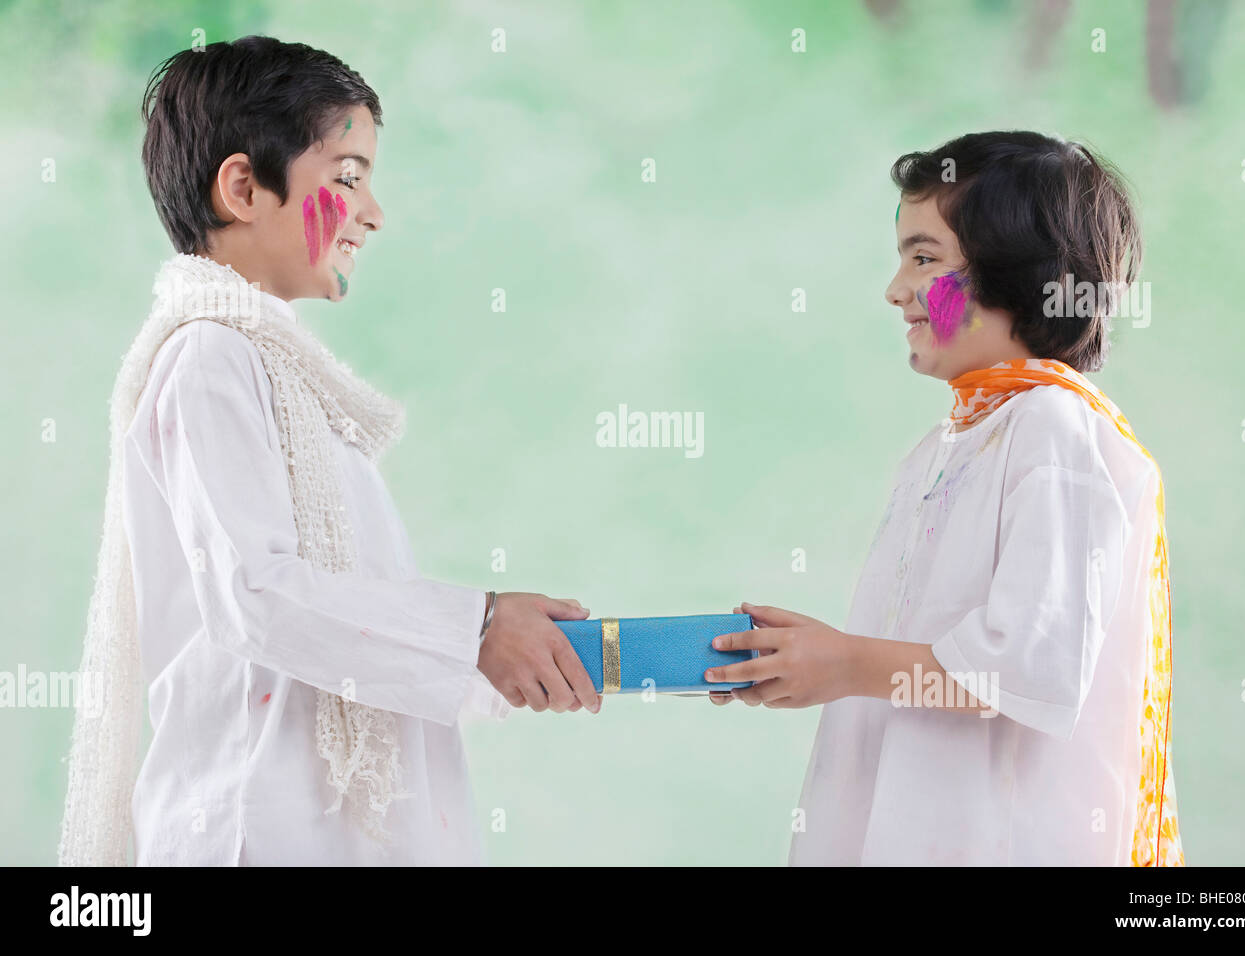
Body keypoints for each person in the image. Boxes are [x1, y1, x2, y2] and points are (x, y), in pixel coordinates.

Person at [58, 35, 598, 867]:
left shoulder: (285, 376)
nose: (374, 212)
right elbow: (256, 595)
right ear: (242, 186)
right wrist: (477, 628)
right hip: (256, 826)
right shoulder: (211, 357)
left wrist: (491, 642)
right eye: (348, 176)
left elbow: (340, 608)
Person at [707, 131, 1184, 866]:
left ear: (1019, 273)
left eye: (924, 258)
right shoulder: (952, 441)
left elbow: (1033, 665)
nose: (895, 289)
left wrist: (844, 665)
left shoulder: (1055, 429)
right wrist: (819, 656)